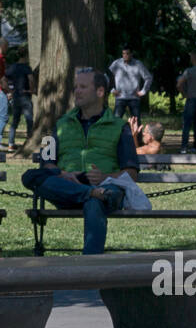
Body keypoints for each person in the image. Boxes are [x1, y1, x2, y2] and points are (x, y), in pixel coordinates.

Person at [21, 69, 138, 255]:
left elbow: (131, 173)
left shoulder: (120, 127)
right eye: (75, 87)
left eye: (83, 87)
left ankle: (89, 274)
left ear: (100, 92)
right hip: (68, 187)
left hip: (106, 187)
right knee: (30, 176)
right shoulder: (57, 125)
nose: (76, 91)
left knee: (94, 202)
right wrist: (63, 174)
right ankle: (91, 193)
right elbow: (46, 163)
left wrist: (103, 177)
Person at [108, 47, 153, 120]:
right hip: (120, 97)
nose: (125, 55)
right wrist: (112, 90)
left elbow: (148, 77)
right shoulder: (117, 63)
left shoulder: (138, 64)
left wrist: (143, 91)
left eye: (127, 53)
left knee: (136, 122)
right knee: (115, 121)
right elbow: (107, 76)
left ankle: (137, 132)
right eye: (123, 53)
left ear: (131, 54)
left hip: (134, 98)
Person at [5, 45, 34, 152]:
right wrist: (31, 90)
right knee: (29, 119)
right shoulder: (26, 68)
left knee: (15, 121)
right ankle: (30, 139)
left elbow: (4, 79)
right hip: (25, 96)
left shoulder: (12, 67)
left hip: (16, 97)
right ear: (26, 55)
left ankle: (10, 144)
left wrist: (10, 90)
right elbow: (30, 80)